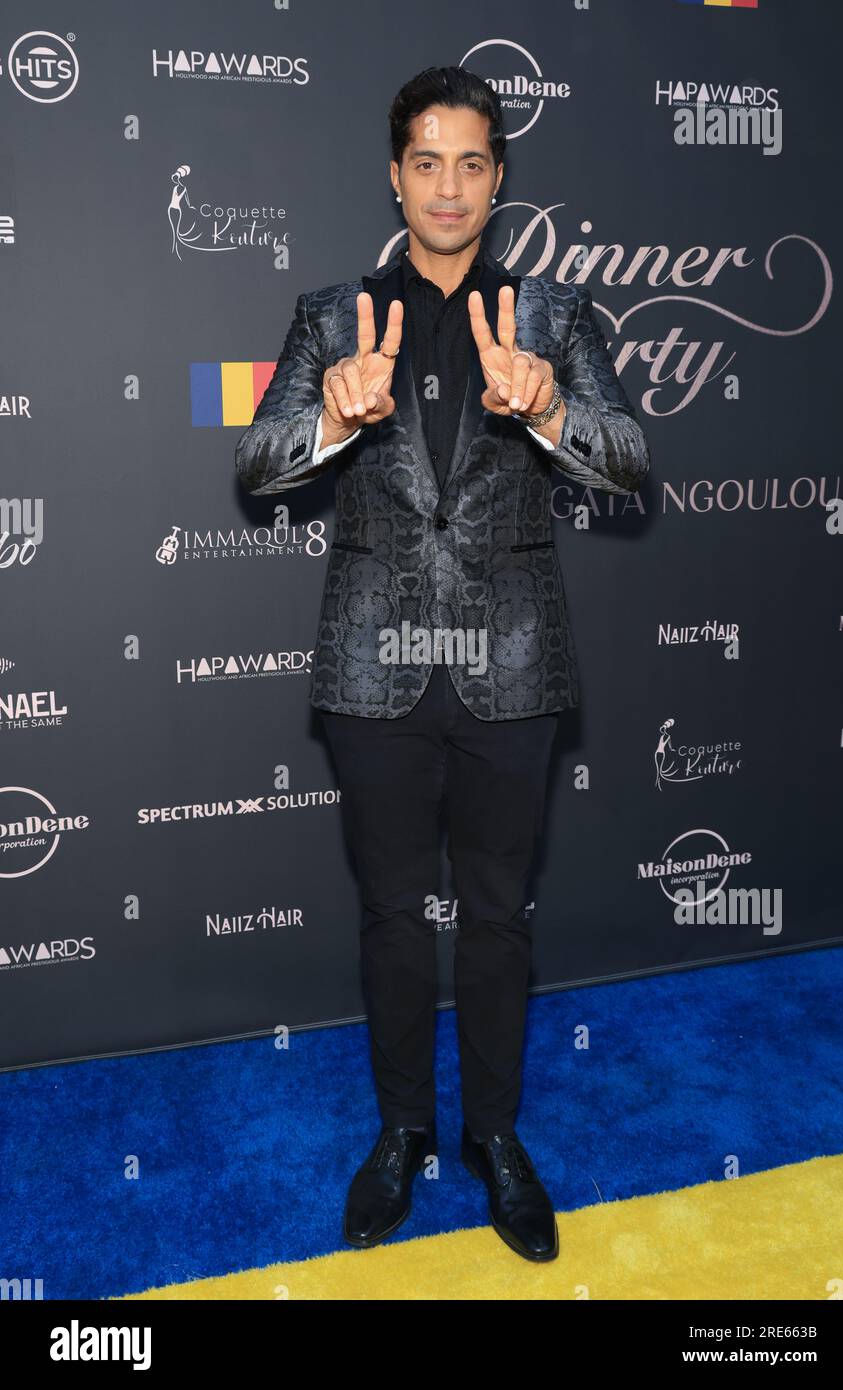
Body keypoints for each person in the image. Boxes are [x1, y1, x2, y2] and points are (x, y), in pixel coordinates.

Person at [235, 65, 650, 1262]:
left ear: (500, 176)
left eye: (474, 162)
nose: (451, 186)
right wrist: (334, 416)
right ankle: (403, 1132)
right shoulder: (333, 316)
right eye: (428, 162)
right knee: (390, 917)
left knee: (500, 920)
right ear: (396, 173)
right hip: (374, 666)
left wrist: (552, 408)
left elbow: (629, 463)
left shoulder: (553, 317)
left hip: (513, 665)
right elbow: (259, 469)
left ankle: (497, 1139)